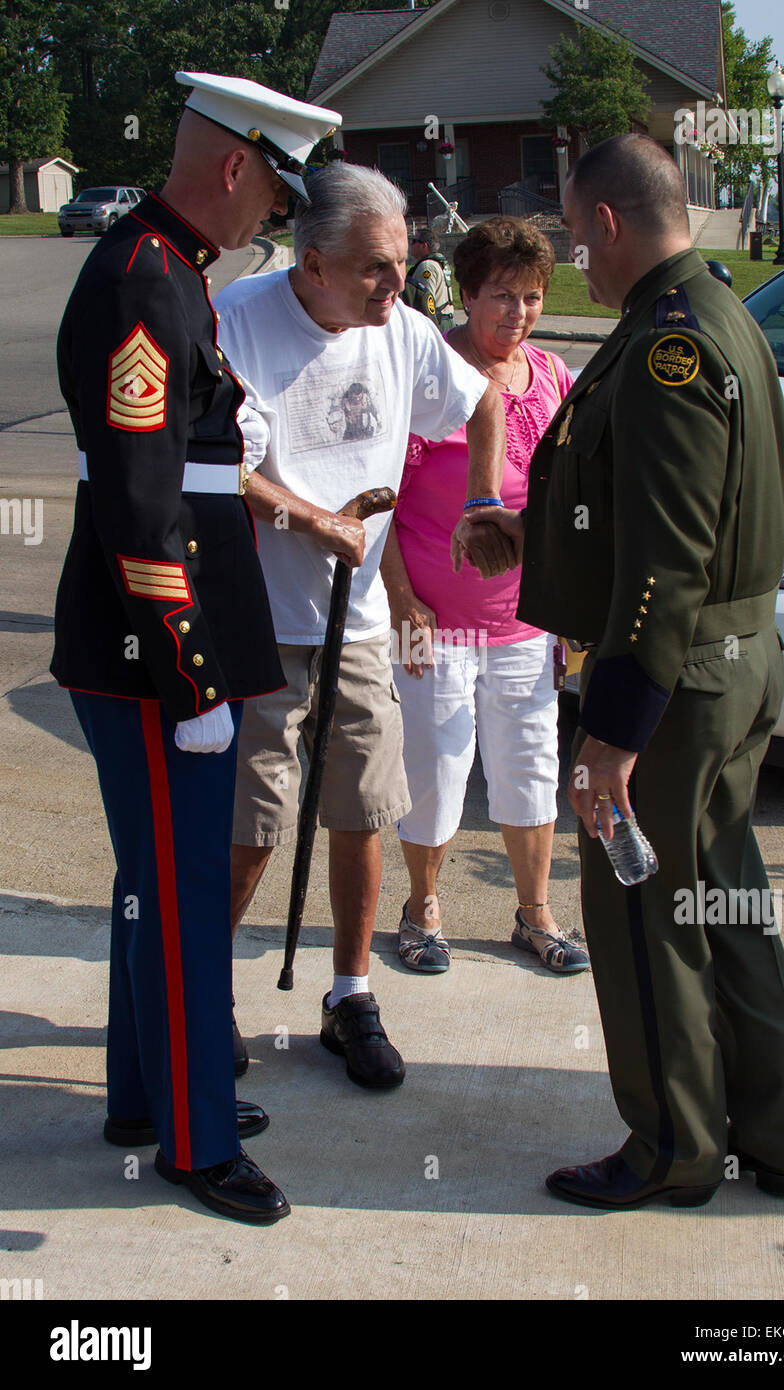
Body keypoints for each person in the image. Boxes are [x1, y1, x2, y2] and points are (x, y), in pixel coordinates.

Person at [470, 134, 784, 1210]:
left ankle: (670, 1147)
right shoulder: (718, 317)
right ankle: (771, 1131)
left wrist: (614, 733)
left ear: (610, 221)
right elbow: (658, 507)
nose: (576, 258)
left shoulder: (665, 343)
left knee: (640, 917)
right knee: (722, 899)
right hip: (732, 664)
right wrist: (535, 535)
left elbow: (666, 557)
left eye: (577, 236)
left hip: (669, 682)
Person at [51, 70, 341, 1224]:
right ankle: (193, 1138)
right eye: (273, 186)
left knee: (150, 885)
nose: (275, 212)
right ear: (233, 165)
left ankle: (143, 1096)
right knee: (175, 896)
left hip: (162, 642)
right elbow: (138, 502)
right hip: (156, 651)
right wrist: (190, 675)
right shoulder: (145, 283)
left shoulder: (169, 271)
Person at [215, 162, 507, 1089]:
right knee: (253, 819)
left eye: (405, 263)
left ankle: (350, 993)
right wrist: (312, 519)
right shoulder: (239, 322)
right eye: (376, 268)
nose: (397, 286)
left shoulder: (406, 333)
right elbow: (215, 462)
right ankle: (202, 994)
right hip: (260, 622)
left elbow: (485, 401)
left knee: (365, 807)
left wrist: (486, 500)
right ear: (312, 262)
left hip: (362, 624)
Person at [380, 217, 589, 977]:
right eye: (502, 294)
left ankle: (535, 914)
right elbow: (379, 507)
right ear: (467, 294)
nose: (518, 313)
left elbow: (572, 500)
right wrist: (403, 604)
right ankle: (421, 910)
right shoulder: (430, 380)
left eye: (532, 296)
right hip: (428, 622)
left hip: (523, 624)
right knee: (435, 768)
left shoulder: (555, 378)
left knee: (532, 765)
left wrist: (565, 608)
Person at [405, 225, 455, 331]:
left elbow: (425, 301)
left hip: (437, 323)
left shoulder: (427, 267)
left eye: (414, 241)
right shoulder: (439, 263)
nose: (411, 245)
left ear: (424, 245)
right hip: (445, 321)